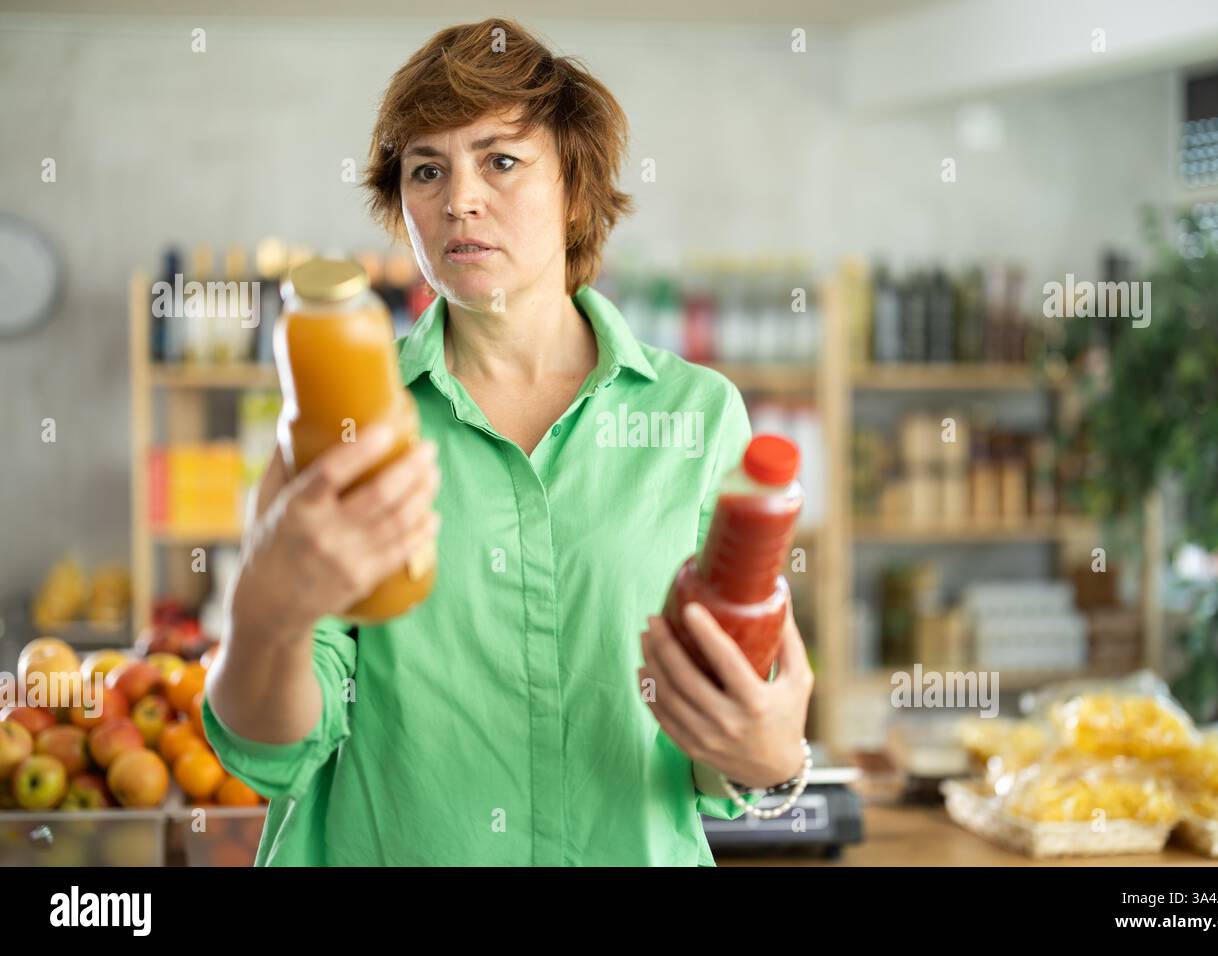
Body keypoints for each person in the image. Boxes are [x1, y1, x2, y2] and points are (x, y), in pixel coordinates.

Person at [204, 16, 813, 866]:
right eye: (427, 169)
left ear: (576, 187)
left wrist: (770, 758)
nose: (458, 198)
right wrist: (263, 619)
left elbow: (723, 750)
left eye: (499, 160)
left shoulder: (698, 417)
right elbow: (274, 751)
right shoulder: (345, 422)